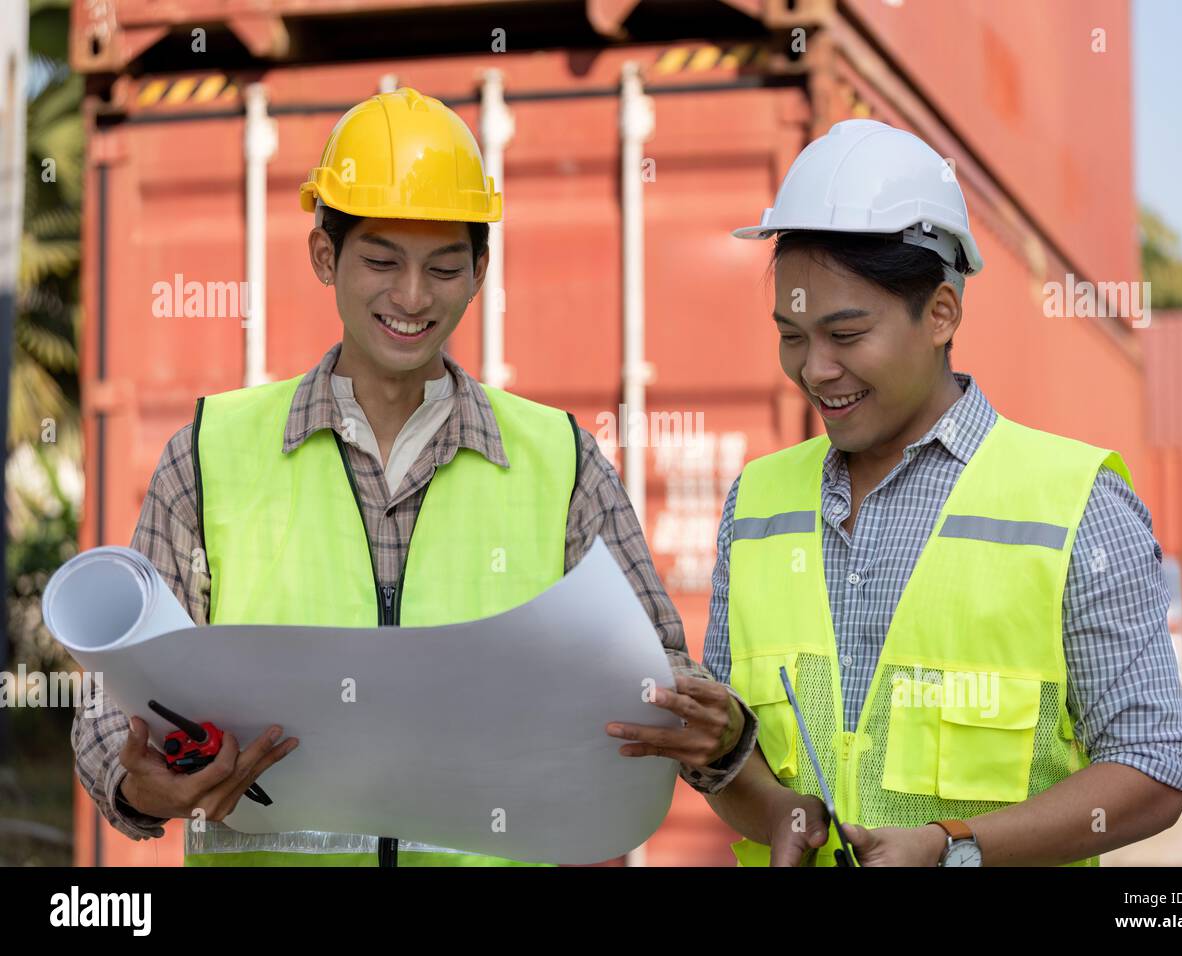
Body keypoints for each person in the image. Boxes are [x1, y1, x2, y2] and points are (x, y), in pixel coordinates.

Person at [70, 88, 755, 867]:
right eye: (380, 260)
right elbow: (109, 707)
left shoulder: (558, 460)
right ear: (324, 256)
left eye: (443, 266)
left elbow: (658, 674)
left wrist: (714, 732)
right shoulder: (208, 454)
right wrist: (145, 789)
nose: (411, 296)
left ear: (480, 271)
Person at [701, 119, 1182, 866]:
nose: (814, 369)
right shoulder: (757, 503)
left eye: (845, 333)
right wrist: (763, 796)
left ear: (940, 313)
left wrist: (954, 848)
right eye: (792, 335)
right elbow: (742, 770)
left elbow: (1154, 767)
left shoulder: (1076, 506)